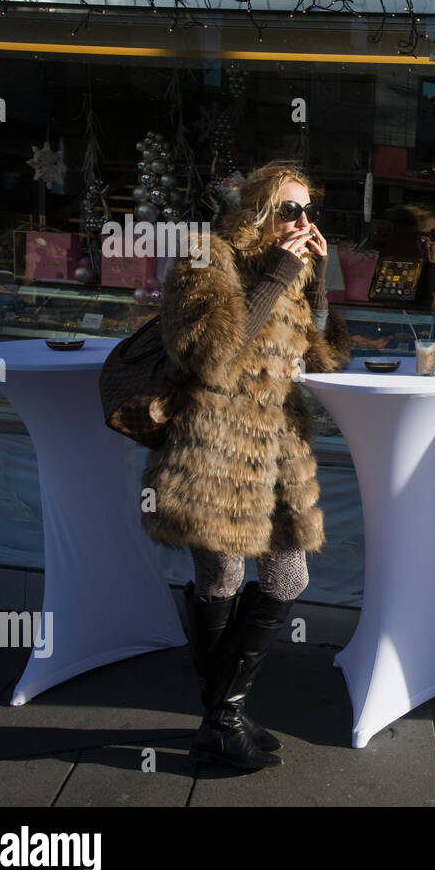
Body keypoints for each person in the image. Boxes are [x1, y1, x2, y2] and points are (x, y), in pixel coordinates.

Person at [141, 161, 352, 770]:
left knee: (288, 578)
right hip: (214, 448)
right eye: (290, 210)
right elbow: (209, 353)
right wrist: (282, 271)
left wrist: (314, 284)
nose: (303, 222)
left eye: (308, 210)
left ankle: (220, 716)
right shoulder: (205, 256)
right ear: (256, 210)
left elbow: (323, 356)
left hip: (280, 451)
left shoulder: (290, 268)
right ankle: (226, 717)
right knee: (222, 581)